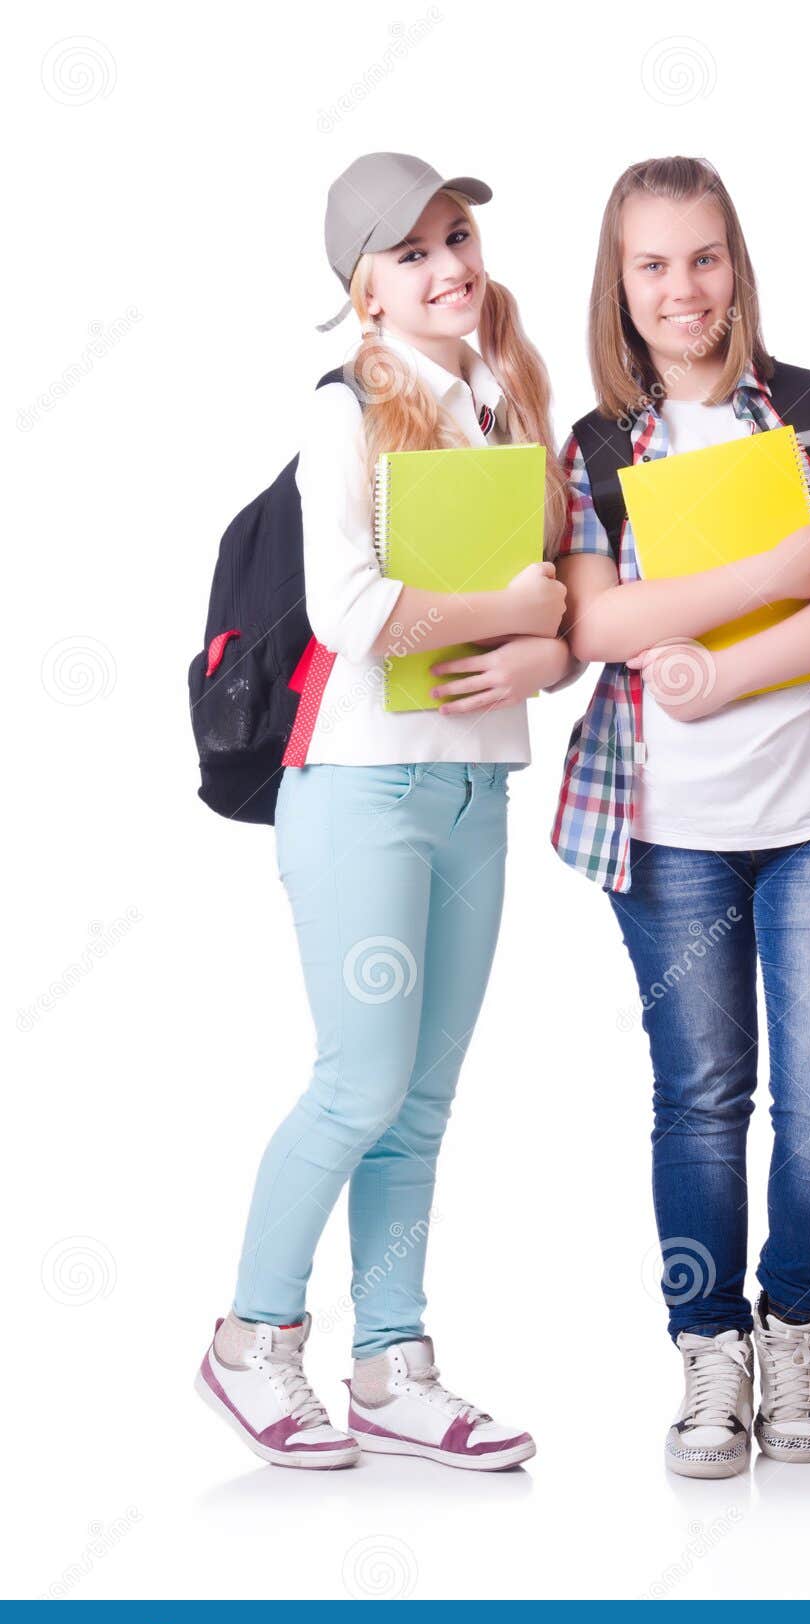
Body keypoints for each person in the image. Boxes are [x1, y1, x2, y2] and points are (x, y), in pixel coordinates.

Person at [553, 155, 810, 1477]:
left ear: (737, 266)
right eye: (652, 264)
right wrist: (773, 574)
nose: (682, 288)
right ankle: (707, 1346)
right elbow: (595, 622)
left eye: (702, 258)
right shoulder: (598, 448)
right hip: (662, 832)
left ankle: (794, 1328)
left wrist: (721, 664)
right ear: (621, 282)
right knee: (701, 1100)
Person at [196, 152, 571, 1471]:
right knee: (358, 1084)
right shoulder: (345, 407)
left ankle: (390, 1364)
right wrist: (519, 610)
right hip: (360, 785)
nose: (447, 265)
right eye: (410, 251)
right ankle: (252, 1338)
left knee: (421, 1100)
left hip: (476, 783)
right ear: (365, 286)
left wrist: (547, 637)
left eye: (456, 236)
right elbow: (353, 613)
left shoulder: (505, 401)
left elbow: (559, 616)